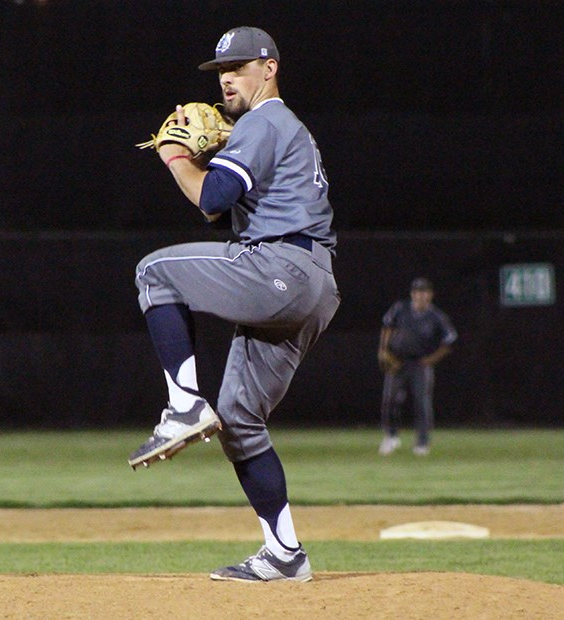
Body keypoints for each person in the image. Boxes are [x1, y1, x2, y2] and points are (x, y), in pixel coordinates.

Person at [129, 26, 340, 583]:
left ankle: (182, 405)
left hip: (282, 267)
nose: (226, 77)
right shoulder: (277, 130)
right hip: (313, 281)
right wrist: (216, 152)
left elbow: (212, 198)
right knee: (242, 423)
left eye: (239, 66)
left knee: (154, 273)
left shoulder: (265, 120)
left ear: (269, 67)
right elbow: (224, 211)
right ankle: (284, 553)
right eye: (220, 69)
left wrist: (176, 156)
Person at [377, 277, 457, 456]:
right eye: (418, 292)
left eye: (425, 292)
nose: (421, 295)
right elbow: (387, 326)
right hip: (397, 361)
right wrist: (383, 350)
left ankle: (422, 442)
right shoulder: (400, 308)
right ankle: (391, 436)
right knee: (389, 400)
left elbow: (450, 340)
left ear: (430, 295)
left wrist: (431, 360)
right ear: (412, 294)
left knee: (422, 402)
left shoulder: (436, 316)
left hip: (419, 364)